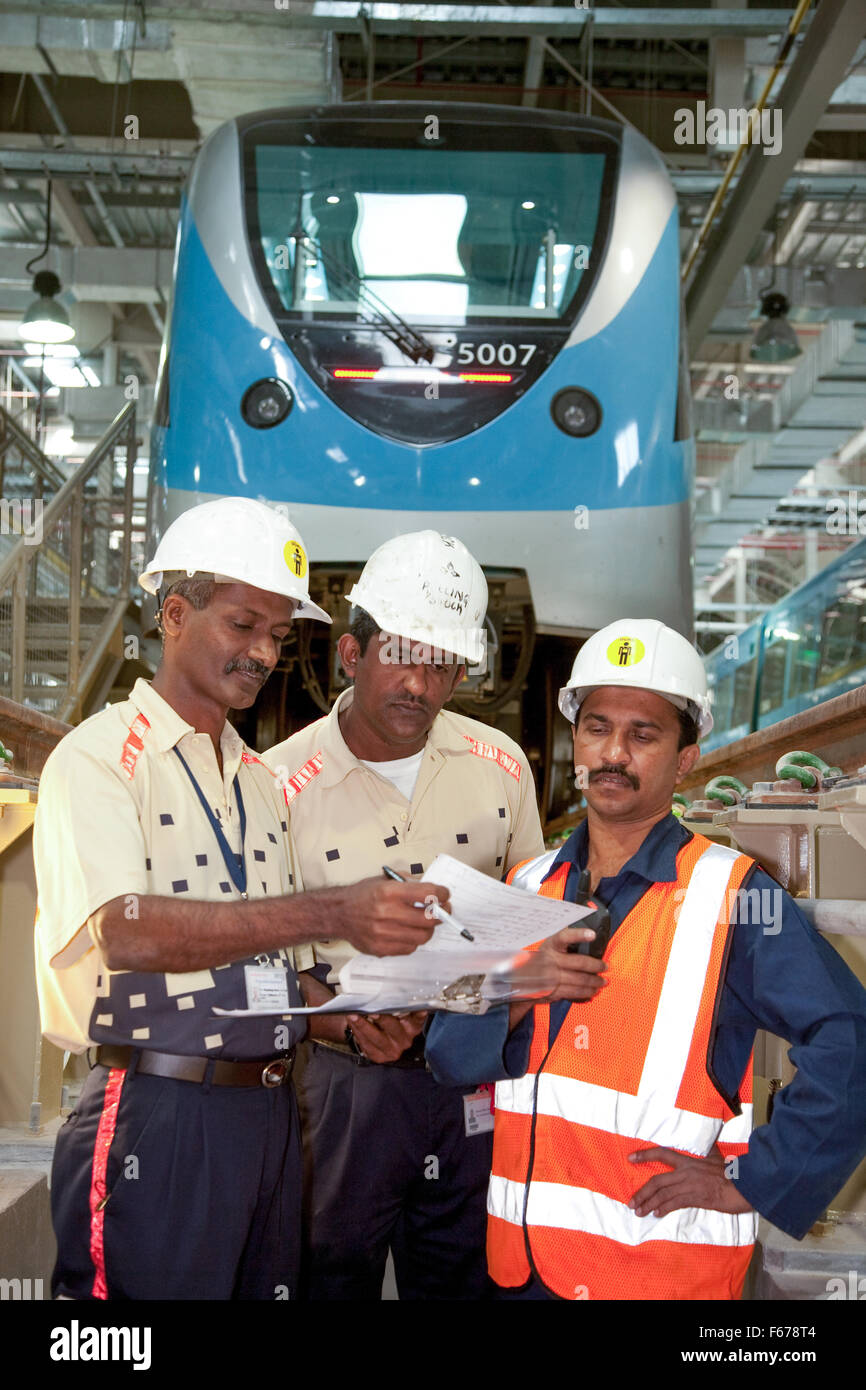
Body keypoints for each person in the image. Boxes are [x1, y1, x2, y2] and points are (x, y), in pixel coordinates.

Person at [34, 497, 446, 1302]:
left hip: (266, 1121)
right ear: (174, 614)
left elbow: (270, 977)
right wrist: (333, 911)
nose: (263, 652)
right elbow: (131, 936)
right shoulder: (101, 759)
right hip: (155, 1107)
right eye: (243, 624)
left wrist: (355, 1023)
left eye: (279, 636)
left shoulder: (259, 783)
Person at [427, 617, 866, 1301]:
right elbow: (450, 1055)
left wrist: (756, 1179)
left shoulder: (731, 895)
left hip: (656, 1278)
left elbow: (851, 1036)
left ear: (686, 759)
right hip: (520, 1271)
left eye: (644, 734)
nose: (614, 754)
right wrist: (517, 985)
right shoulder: (524, 889)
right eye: (598, 728)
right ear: (577, 739)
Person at [264, 531, 545, 1300]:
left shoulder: (501, 767)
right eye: (402, 654)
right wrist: (339, 1021)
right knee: (326, 1276)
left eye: (442, 664)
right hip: (341, 1090)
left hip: (469, 1086)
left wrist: (484, 1000)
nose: (421, 683)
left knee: (465, 1282)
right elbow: (258, 960)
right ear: (351, 655)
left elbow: (530, 924)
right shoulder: (280, 783)